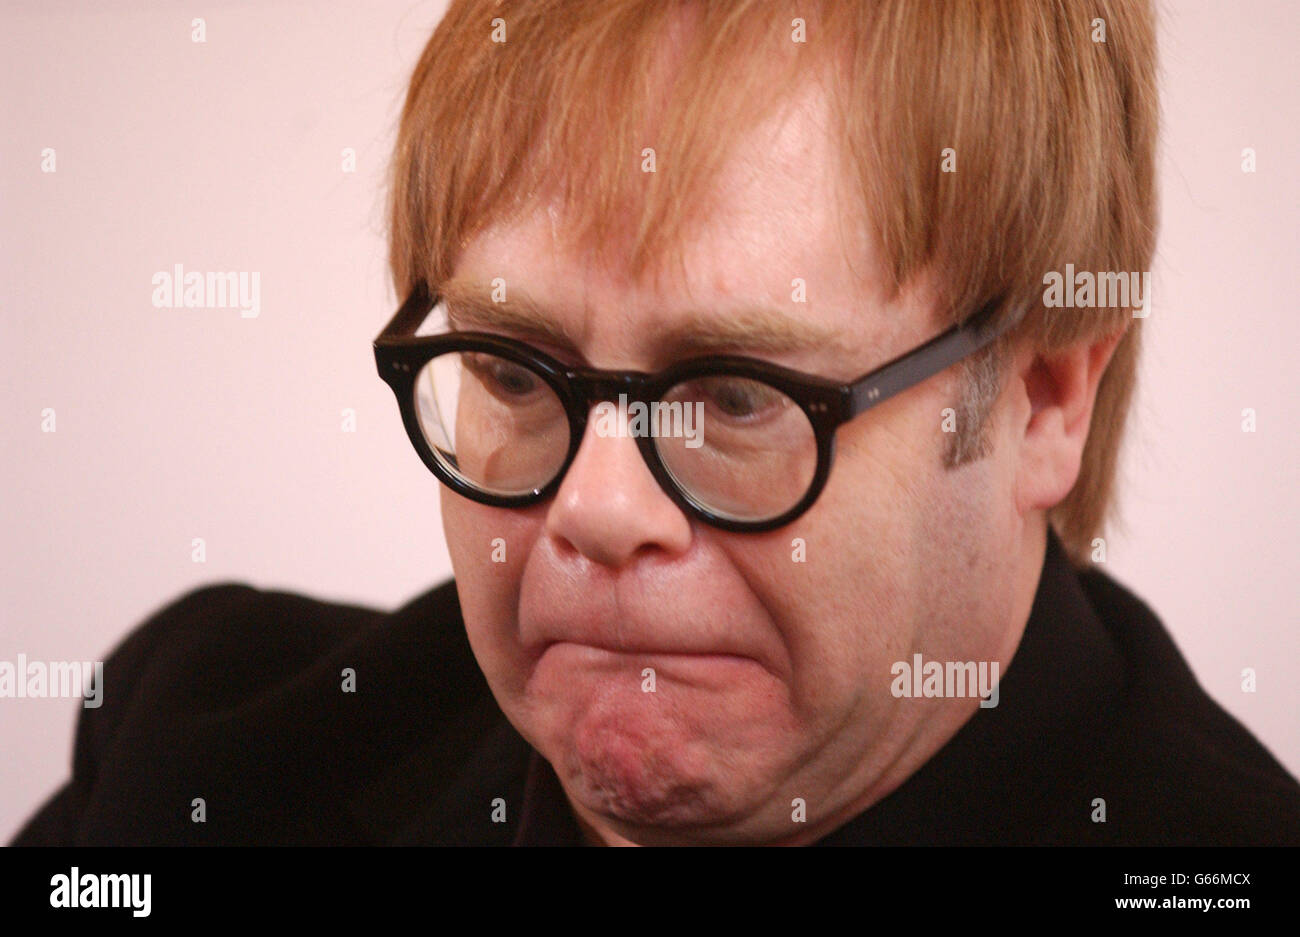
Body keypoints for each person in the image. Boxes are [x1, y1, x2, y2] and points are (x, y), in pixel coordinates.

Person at [13, 0, 1300, 846]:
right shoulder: (201, 761)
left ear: (1041, 400)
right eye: (516, 371)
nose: (597, 508)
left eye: (738, 394)